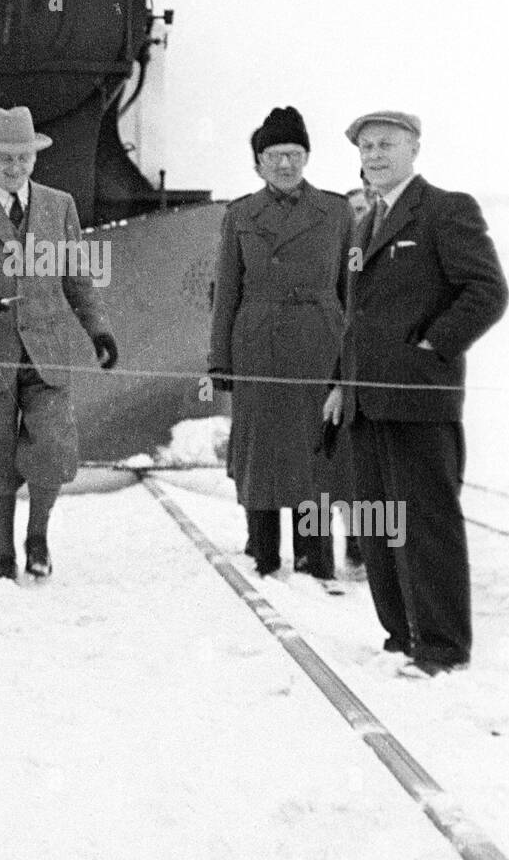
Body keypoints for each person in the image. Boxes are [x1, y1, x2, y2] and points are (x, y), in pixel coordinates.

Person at [324, 111, 507, 675]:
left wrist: (432, 344)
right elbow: (356, 318)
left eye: (388, 145)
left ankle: (443, 648)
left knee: (425, 523)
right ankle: (402, 633)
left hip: (417, 398)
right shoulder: (364, 222)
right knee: (379, 521)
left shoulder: (445, 209)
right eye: (368, 146)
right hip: (364, 401)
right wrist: (339, 383)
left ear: (415, 149)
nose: (375, 154)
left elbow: (487, 291)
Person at [0, 106, 117, 580]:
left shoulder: (59, 206)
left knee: (52, 448)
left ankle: (38, 537)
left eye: (23, 159)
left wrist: (99, 330)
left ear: (35, 157)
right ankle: (4, 554)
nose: (15, 168)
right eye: (5, 159)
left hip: (46, 352)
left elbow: (78, 278)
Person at [209, 106, 355, 589]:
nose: (286, 165)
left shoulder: (337, 212)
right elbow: (226, 293)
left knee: (315, 457)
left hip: (319, 343)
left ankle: (315, 561)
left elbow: (351, 293)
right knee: (261, 453)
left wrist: (349, 368)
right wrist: (220, 362)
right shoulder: (240, 215)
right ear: (258, 163)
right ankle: (264, 558)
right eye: (275, 156)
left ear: (307, 156)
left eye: (294, 154)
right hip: (258, 346)